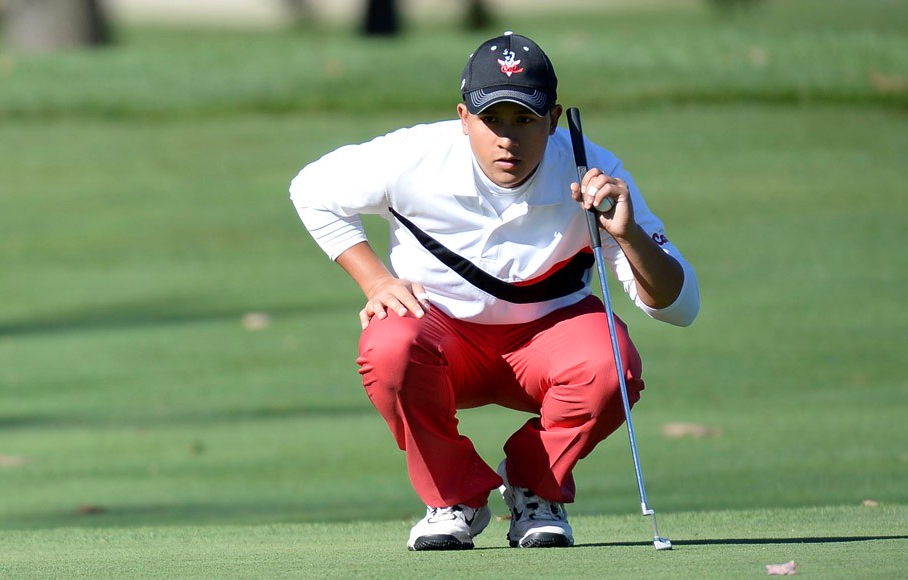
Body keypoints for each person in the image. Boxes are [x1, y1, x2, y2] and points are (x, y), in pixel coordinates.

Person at [289, 31, 699, 551]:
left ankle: (533, 488)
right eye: (492, 120)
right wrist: (375, 280)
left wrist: (629, 235)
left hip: (549, 339)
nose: (507, 138)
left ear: (553, 120)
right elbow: (311, 189)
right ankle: (453, 498)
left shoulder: (594, 172)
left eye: (525, 119)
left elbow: (679, 308)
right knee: (387, 345)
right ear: (464, 118)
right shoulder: (414, 156)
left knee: (611, 364)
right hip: (439, 336)